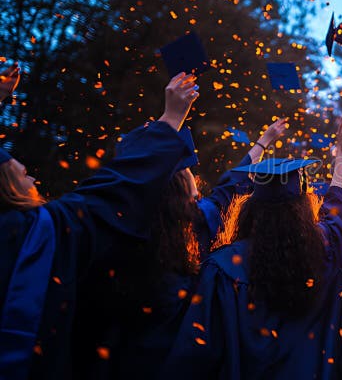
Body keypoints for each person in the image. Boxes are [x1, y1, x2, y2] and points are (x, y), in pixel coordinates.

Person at [0, 72, 199, 380]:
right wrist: (170, 120)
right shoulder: (32, 234)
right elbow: (111, 193)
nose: (33, 178)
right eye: (22, 173)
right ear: (8, 189)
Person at [71, 119, 289, 380]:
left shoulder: (109, 234)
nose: (195, 177)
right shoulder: (196, 226)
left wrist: (263, 142)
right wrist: (262, 143)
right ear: (178, 185)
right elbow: (229, 188)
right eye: (188, 172)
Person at [160, 117, 342, 379]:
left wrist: (263, 142)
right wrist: (340, 155)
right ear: (303, 203)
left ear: (251, 207)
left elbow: (197, 354)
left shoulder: (224, 268)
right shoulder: (326, 250)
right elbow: (338, 210)